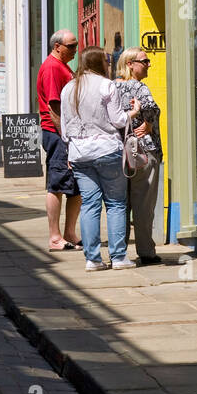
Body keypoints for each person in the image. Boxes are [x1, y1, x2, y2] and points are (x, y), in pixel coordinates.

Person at [60, 46, 140, 271]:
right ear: (99, 62)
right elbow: (118, 120)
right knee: (115, 203)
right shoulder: (107, 85)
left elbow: (65, 128)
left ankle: (93, 259)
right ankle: (118, 257)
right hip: (106, 149)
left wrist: (70, 149)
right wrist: (133, 113)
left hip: (79, 153)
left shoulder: (68, 88)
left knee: (90, 205)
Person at [116, 48, 164, 266]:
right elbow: (152, 107)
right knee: (143, 204)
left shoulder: (112, 86)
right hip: (143, 151)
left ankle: (119, 252)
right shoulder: (139, 86)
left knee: (120, 204)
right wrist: (150, 123)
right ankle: (146, 251)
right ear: (129, 64)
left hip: (119, 152)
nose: (148, 65)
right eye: (144, 61)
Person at [36, 30, 82, 252]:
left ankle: (70, 233)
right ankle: (55, 237)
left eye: (76, 45)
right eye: (71, 46)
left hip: (66, 134)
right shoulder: (53, 67)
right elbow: (54, 107)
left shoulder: (62, 65)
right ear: (57, 46)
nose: (75, 49)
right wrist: (66, 138)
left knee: (75, 185)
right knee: (57, 183)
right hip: (57, 134)